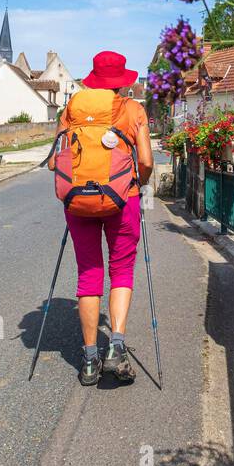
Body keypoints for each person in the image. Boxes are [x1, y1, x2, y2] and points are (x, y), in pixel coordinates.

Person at [61, 50, 154, 385]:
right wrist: (138, 184)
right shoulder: (133, 109)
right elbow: (145, 160)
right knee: (121, 270)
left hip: (79, 201)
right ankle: (115, 345)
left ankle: (88, 360)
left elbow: (60, 158)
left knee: (89, 274)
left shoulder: (71, 110)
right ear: (122, 81)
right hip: (122, 198)